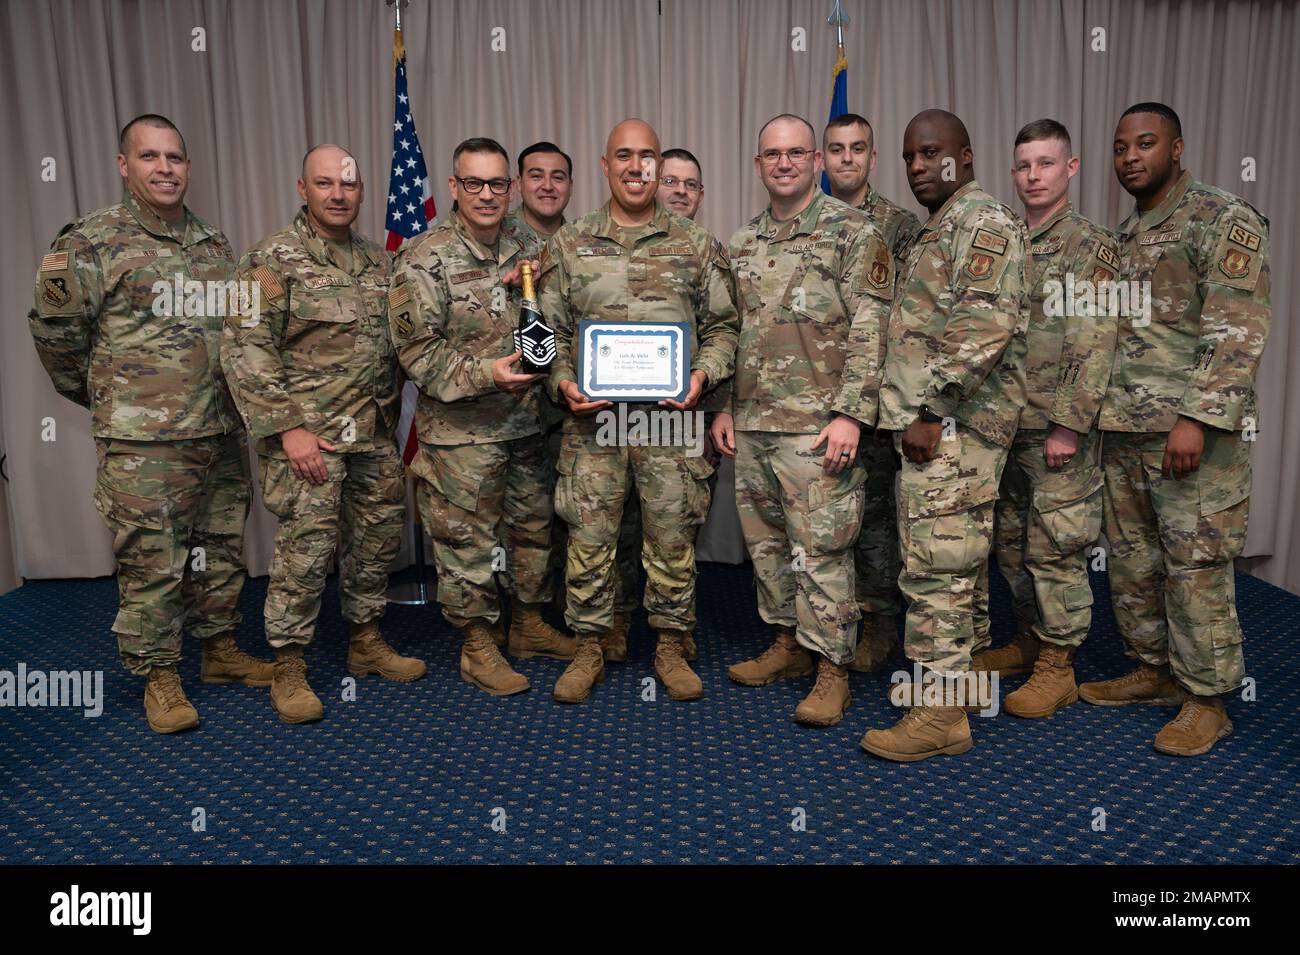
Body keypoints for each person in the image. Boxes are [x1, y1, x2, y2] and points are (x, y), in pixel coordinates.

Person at [28, 114, 272, 733]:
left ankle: (218, 652)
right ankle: (158, 674)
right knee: (154, 562)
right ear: (123, 165)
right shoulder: (89, 242)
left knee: (219, 549)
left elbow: (240, 332)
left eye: (175, 158)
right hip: (143, 443)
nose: (165, 169)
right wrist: (114, 399)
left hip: (218, 430)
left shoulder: (215, 244)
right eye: (150, 157)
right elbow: (57, 337)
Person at [1081, 102, 1271, 756]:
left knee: (1194, 565)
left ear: (1177, 147)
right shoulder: (1127, 235)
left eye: (1146, 143)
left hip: (1190, 436)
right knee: (1135, 563)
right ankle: (1154, 669)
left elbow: (1237, 328)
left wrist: (1195, 416)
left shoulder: (1221, 219)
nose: (1131, 156)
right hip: (1126, 431)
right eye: (1121, 146)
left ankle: (1208, 698)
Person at [223, 144, 424, 724]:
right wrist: (288, 429)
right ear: (301, 188)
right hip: (309, 439)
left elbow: (404, 342)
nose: (338, 195)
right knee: (304, 555)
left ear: (361, 192)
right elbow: (245, 348)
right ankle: (289, 663)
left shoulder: (380, 263)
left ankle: (365, 641)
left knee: (376, 544)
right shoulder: (270, 260)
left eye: (348, 185)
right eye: (325, 184)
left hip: (374, 434)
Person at [539, 118, 738, 703]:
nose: (635, 167)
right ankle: (588, 646)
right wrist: (562, 381)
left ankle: (671, 644)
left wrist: (702, 374)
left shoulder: (696, 244)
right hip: (593, 423)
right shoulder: (570, 244)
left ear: (657, 166)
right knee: (590, 539)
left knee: (672, 538)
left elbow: (725, 327)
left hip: (669, 422)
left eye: (646, 156)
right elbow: (541, 332)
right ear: (604, 166)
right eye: (622, 155)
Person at [711, 114, 894, 726]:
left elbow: (873, 329)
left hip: (819, 428)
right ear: (758, 165)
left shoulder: (854, 232)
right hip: (755, 423)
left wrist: (851, 415)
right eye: (771, 155)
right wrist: (724, 408)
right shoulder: (740, 243)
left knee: (821, 554)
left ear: (816, 161)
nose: (783, 163)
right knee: (768, 550)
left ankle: (831, 668)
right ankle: (788, 645)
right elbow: (729, 333)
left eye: (795, 153)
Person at [860, 109, 1030, 761]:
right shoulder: (945, 226)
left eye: (931, 152)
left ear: (965, 152)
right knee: (956, 568)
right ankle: (958, 692)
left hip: (956, 429)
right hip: (936, 429)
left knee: (935, 570)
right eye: (908, 157)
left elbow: (982, 326)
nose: (919, 166)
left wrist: (930, 409)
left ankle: (939, 715)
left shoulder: (982, 221)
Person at [390, 137, 575, 697]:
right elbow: (415, 352)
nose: (488, 195)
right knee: (466, 544)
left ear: (511, 188)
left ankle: (528, 625)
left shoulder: (530, 246)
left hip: (528, 424)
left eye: (498, 184)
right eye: (475, 183)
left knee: (531, 532)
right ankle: (475, 644)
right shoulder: (423, 258)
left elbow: (553, 320)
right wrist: (485, 374)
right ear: (454, 187)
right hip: (461, 435)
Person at [968, 120, 1119, 719]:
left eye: (1046, 164)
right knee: (1010, 545)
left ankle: (1058, 664)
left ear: (1071, 168)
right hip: (1001, 424)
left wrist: (1070, 425)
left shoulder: (1091, 246)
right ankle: (1031, 638)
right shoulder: (1002, 238)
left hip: (1056, 429)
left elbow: (1097, 339)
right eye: (1025, 165)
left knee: (1057, 544)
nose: (1034, 176)